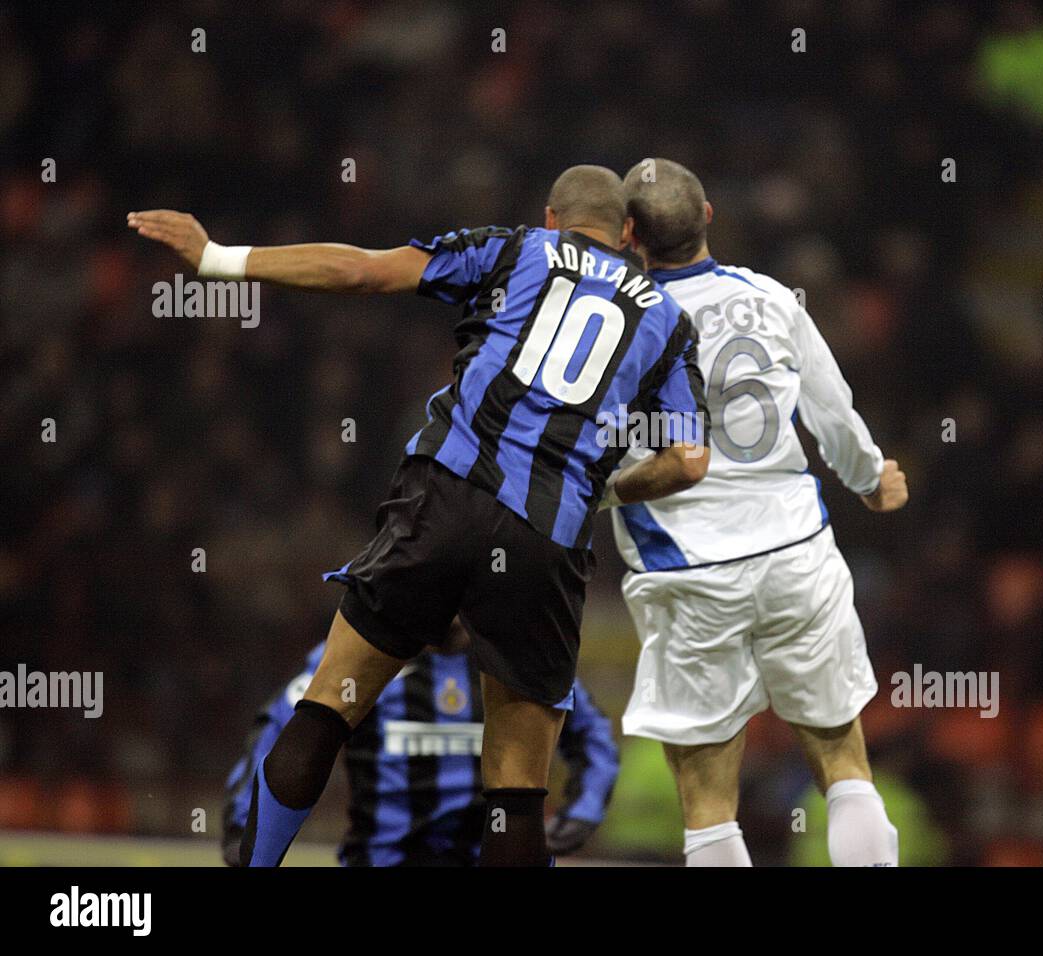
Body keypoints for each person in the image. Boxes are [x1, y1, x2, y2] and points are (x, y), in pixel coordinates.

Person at [129, 164, 710, 866]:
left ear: (552, 219)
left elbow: (364, 272)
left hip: (444, 500)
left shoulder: (514, 248)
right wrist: (600, 489)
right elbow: (688, 461)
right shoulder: (670, 324)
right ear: (626, 234)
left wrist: (219, 258)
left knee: (326, 709)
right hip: (545, 541)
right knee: (518, 791)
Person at [609, 158, 908, 866]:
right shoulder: (772, 298)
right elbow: (834, 413)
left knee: (708, 802)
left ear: (627, 235)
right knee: (843, 761)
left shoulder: (616, 319)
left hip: (688, 567)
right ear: (709, 215)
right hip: (796, 552)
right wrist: (871, 479)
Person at [222, 622, 619, 866]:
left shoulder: (516, 662)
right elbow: (278, 729)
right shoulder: (361, 657)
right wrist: (243, 827)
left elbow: (592, 736)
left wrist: (581, 813)